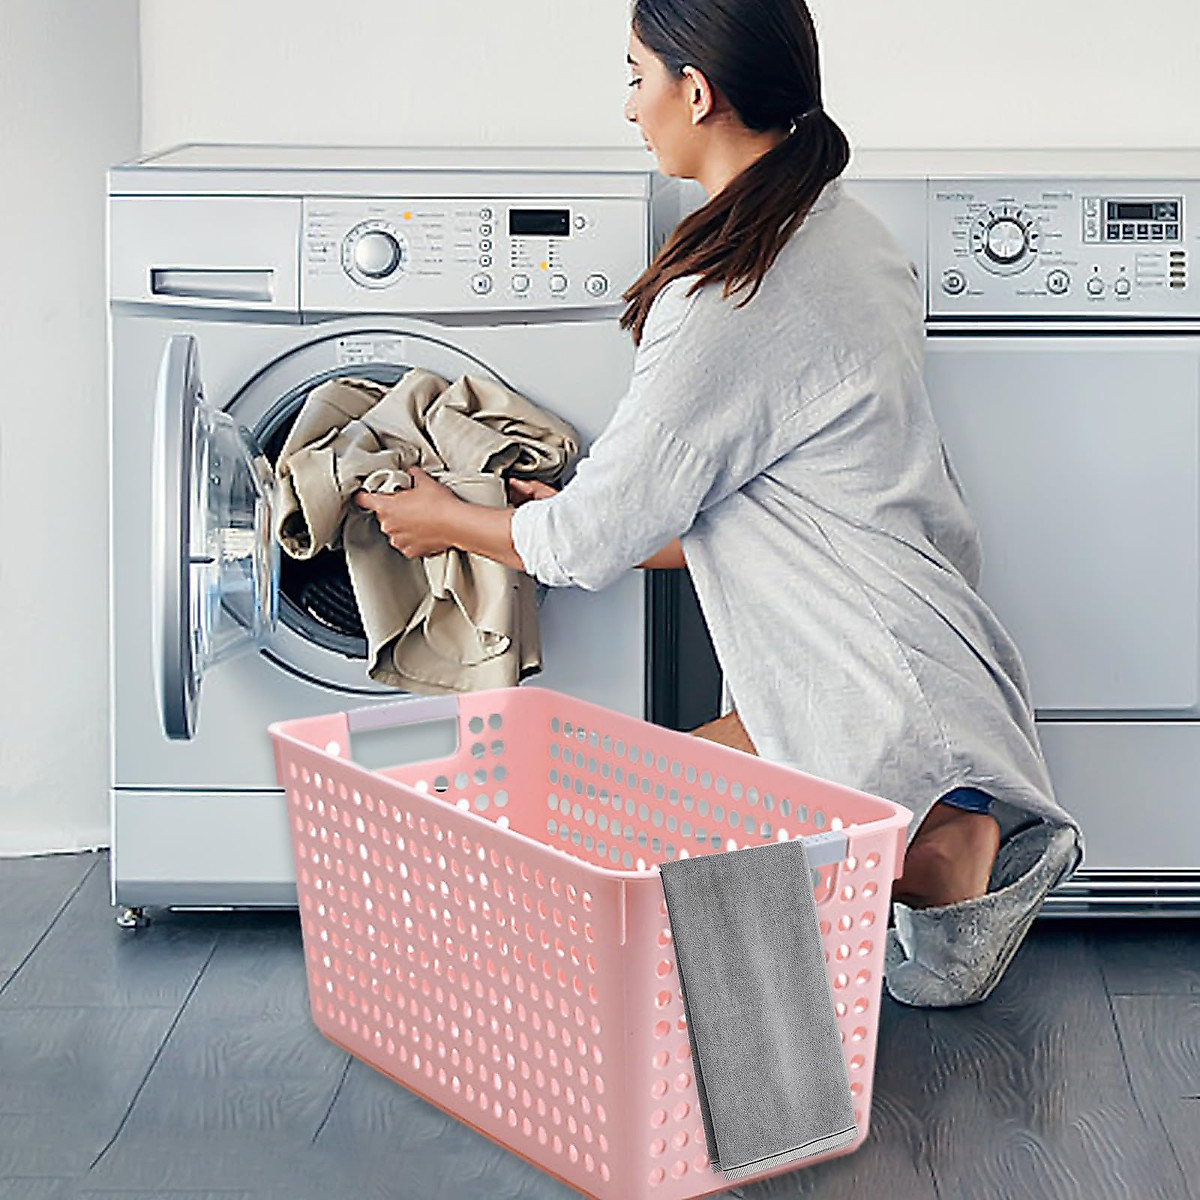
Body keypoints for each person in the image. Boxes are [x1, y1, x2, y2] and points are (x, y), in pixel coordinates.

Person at [354, 0, 1084, 1007]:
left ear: (695, 91)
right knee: (641, 832)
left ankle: (936, 856)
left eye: (634, 74)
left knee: (558, 846)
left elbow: (587, 544)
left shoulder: (726, 298)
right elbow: (764, 506)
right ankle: (939, 840)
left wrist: (446, 520)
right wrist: (576, 507)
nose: (628, 108)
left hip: (859, 679)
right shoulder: (842, 228)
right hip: (914, 639)